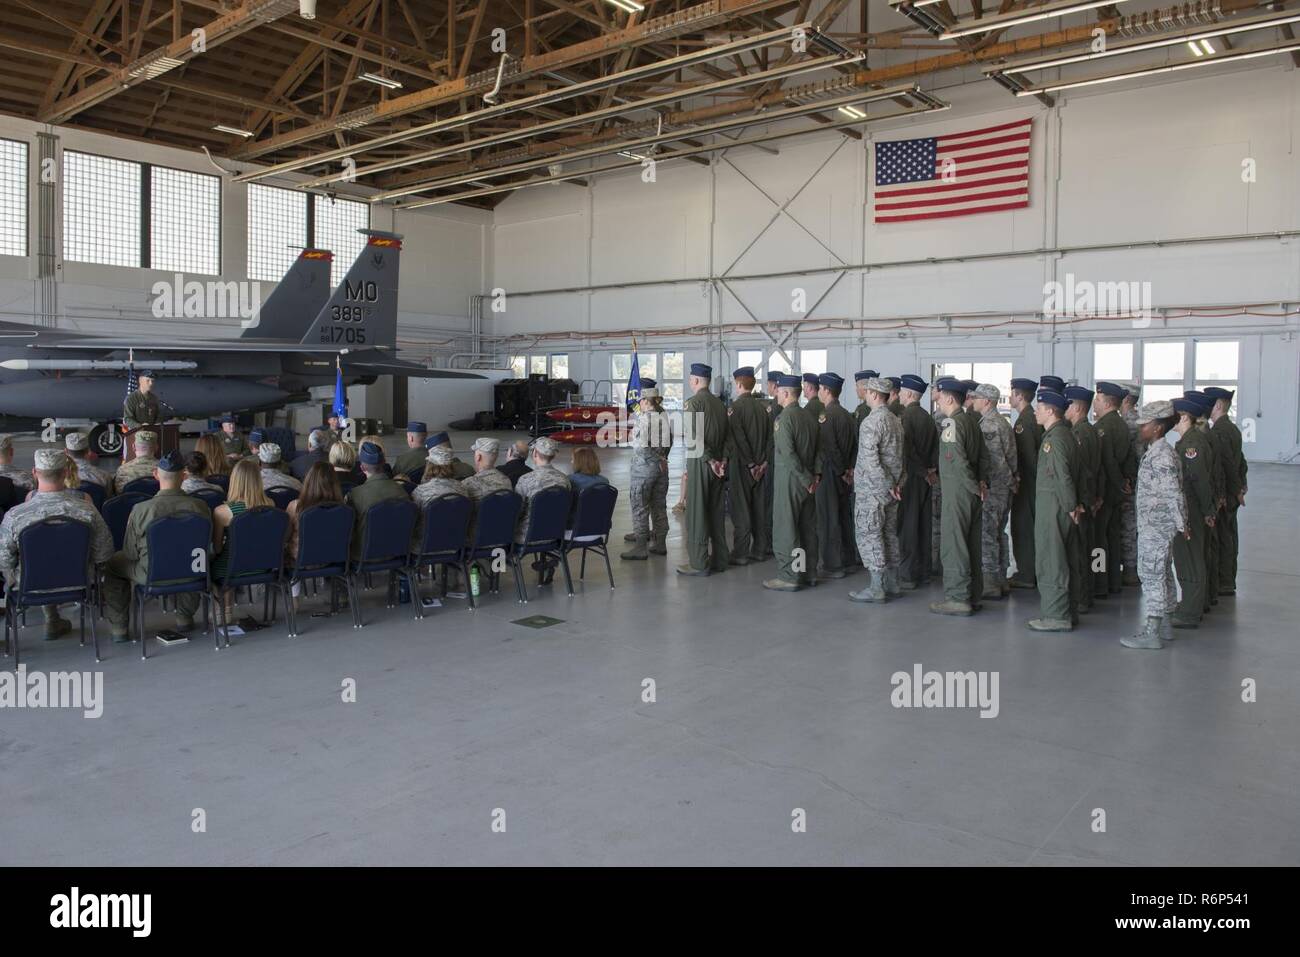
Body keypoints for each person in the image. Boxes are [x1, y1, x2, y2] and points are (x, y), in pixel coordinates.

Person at [0, 448, 113, 639]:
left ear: (35, 473)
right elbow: (104, 552)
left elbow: (4, 560)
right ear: (67, 472)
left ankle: (51, 617)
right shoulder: (87, 510)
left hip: (28, 585)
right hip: (79, 582)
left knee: (35, 561)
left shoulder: (15, 516)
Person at [102, 450, 211, 642]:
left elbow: (130, 552)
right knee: (194, 559)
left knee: (112, 566)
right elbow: (205, 546)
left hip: (152, 573)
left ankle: (120, 628)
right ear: (184, 476)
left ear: (155, 474)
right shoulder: (200, 506)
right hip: (193, 570)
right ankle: (185, 616)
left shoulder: (142, 510)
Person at [1121, 400, 1187, 650]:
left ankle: (1152, 630)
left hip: (1157, 526)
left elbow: (1174, 493)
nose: (1140, 428)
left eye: (1145, 425)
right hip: (1157, 525)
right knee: (1163, 573)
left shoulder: (1162, 456)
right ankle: (1166, 624)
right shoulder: (1159, 451)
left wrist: (1182, 523)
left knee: (1151, 575)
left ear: (1158, 428)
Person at [930, 377, 989, 617]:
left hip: (959, 493)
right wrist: (982, 482)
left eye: (939, 395)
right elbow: (984, 456)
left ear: (949, 398)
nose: (937, 398)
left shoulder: (951, 425)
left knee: (954, 545)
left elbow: (959, 462)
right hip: (972, 494)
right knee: (971, 545)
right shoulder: (972, 421)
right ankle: (973, 594)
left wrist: (974, 486)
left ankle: (957, 597)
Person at [1026, 389, 1082, 633]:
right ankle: (1069, 610)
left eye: (1039, 408)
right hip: (1062, 505)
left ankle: (1056, 615)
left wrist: (1070, 505)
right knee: (1065, 558)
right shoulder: (1066, 435)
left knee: (1052, 560)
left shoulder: (1053, 440)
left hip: (1054, 507)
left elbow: (1062, 476)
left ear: (1050, 411)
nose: (1036, 412)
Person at [850, 377, 904, 603]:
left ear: (873, 395)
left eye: (866, 391)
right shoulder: (895, 420)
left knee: (870, 535)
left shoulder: (872, 422)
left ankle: (876, 588)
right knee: (888, 534)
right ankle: (892, 583)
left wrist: (888, 484)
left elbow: (871, 461)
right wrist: (897, 484)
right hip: (891, 491)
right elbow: (900, 457)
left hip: (873, 491)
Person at [763, 374, 819, 592]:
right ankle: (807, 572)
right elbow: (819, 451)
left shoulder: (785, 419)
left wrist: (805, 478)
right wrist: (814, 478)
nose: (776, 393)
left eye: (778, 390)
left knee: (786, 529)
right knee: (806, 529)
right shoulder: (808, 417)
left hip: (791, 481)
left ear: (786, 393)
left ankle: (789, 576)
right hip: (808, 483)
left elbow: (788, 454)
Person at [677, 363, 730, 577]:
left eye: (691, 379)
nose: (690, 383)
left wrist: (710, 461)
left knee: (697, 513)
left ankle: (699, 563)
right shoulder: (719, 404)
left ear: (697, 380)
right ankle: (721, 559)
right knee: (716, 512)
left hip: (702, 464)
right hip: (719, 464)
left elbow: (693, 438)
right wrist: (722, 460)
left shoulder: (694, 403)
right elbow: (728, 436)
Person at [1170, 396, 1216, 629]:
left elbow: (1199, 481)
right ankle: (1193, 603)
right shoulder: (1189, 440)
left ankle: (1190, 612)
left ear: (1185, 417)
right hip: (1190, 507)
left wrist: (1208, 510)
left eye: (1174, 415)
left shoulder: (1192, 444)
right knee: (1191, 556)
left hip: (1191, 509)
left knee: (1190, 558)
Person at [210, 458, 271, 621]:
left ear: (234, 480)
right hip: (262, 566)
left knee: (213, 564)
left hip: (231, 569)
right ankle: (227, 610)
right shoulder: (270, 506)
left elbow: (217, 548)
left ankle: (222, 612)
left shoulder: (222, 512)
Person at [972, 384, 1017, 600]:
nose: (974, 400)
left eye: (977, 397)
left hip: (995, 487)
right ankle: (1000, 577)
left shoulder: (990, 425)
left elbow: (996, 461)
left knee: (988, 534)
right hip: (1004, 487)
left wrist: (1001, 482)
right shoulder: (1002, 422)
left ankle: (990, 581)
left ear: (987, 401)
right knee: (999, 533)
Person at [723, 366, 770, 565]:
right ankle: (759, 549)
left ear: (739, 384)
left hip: (743, 466)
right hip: (761, 467)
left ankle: (741, 553)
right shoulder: (763, 408)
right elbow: (770, 438)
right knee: (759, 508)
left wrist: (751, 464)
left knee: (740, 508)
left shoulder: (735, 408)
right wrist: (763, 463)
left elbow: (739, 439)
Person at [621, 386, 673, 560]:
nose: (639, 405)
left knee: (640, 507)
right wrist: (662, 459)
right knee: (659, 506)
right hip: (661, 470)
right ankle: (660, 543)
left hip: (644, 470)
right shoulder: (664, 416)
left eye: (640, 401)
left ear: (644, 401)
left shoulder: (644, 419)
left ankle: (640, 547)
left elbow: (641, 447)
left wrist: (654, 459)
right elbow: (669, 442)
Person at [813, 372, 856, 579]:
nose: (818, 392)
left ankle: (833, 564)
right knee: (844, 517)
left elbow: (831, 448)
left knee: (829, 518)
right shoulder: (847, 414)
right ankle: (848, 560)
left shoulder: (827, 415)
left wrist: (840, 471)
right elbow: (855, 446)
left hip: (831, 473)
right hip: (845, 472)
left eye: (820, 388)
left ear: (827, 391)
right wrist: (849, 470)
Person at [1093, 381, 1134, 596]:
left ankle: (1099, 581)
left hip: (1106, 489)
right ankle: (1114, 580)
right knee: (1113, 536)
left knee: (1099, 538)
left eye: (1098, 400)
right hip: (1117, 490)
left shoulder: (1103, 427)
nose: (1094, 403)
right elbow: (1128, 459)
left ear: (1107, 403)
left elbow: (1106, 461)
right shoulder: (1121, 425)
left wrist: (1118, 482)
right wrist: (1125, 482)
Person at [897, 374, 937, 589]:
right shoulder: (927, 417)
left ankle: (908, 574)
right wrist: (930, 472)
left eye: (902, 392)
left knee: (909, 526)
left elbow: (907, 452)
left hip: (912, 477)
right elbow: (935, 449)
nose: (900, 395)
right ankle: (923, 572)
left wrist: (921, 471)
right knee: (924, 524)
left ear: (910, 394)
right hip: (926, 479)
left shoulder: (906, 417)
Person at [1063, 386, 1101, 613]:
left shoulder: (1080, 434)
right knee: (1088, 550)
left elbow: (1084, 472)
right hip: (1088, 499)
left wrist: (1081, 502)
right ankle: (1087, 593)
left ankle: (1082, 597)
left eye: (1068, 405)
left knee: (1080, 553)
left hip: (1083, 502)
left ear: (1077, 408)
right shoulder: (1088, 431)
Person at [1205, 385, 1245, 596]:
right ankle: (1227, 579)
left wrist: (1231, 491)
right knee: (1229, 535)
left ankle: (1225, 581)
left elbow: (1227, 465)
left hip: (1226, 494)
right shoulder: (1232, 429)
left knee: (1223, 538)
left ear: (1219, 405)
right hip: (1231, 491)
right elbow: (1242, 462)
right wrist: (1241, 485)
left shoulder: (1220, 431)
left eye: (1210, 403)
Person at [346, 442, 410, 561]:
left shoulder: (355, 495)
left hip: (364, 555)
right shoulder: (401, 491)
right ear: (384, 464)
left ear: (362, 468)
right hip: (397, 553)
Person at [1006, 378, 1042, 589]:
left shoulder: (1024, 422)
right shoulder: (1031, 417)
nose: (1010, 397)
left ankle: (1027, 574)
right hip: (1032, 483)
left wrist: (1018, 478)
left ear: (1019, 396)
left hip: (1027, 483)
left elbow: (1028, 457)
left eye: (1012, 393)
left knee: (1024, 527)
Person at [284, 462, 345, 584]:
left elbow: (286, 536)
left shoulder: (296, 506)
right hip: (333, 557)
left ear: (308, 481)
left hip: (300, 560)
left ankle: (294, 599)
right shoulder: (343, 509)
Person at [461, 437, 512, 542]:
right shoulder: (506, 481)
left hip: (474, 540)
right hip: (502, 537)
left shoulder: (468, 484)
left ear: (478, 457)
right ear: (496, 456)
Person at [1119, 382, 1143, 585]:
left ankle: (1130, 570)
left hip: (1130, 482)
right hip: (1136, 481)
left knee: (1128, 524)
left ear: (1126, 399)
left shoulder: (1129, 423)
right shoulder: (1140, 421)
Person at [761, 370, 782, 558]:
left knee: (770, 501)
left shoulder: (774, 407)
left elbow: (770, 438)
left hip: (773, 461)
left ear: (775, 386)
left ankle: (769, 542)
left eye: (768, 384)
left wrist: (764, 461)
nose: (766, 387)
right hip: (779, 461)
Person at [568, 447, 610, 522]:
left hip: (576, 524)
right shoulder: (605, 481)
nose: (571, 462)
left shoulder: (571, 480)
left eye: (572, 459)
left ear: (578, 462)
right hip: (600, 524)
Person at [112, 430, 161, 494]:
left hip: (130, 503)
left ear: (133, 447)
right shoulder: (165, 470)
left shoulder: (123, 470)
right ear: (156, 448)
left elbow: (119, 495)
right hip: (159, 503)